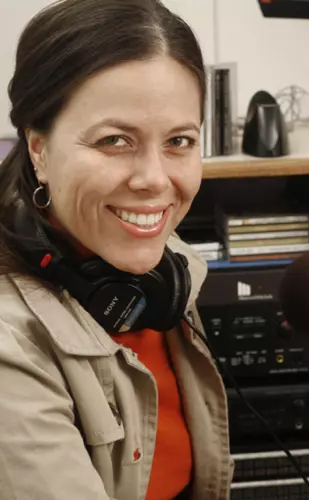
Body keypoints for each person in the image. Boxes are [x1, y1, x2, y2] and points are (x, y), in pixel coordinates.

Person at [0, 0, 234, 499]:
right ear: (38, 149)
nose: (154, 180)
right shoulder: (8, 345)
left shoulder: (164, 276)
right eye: (114, 140)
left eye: (179, 141)